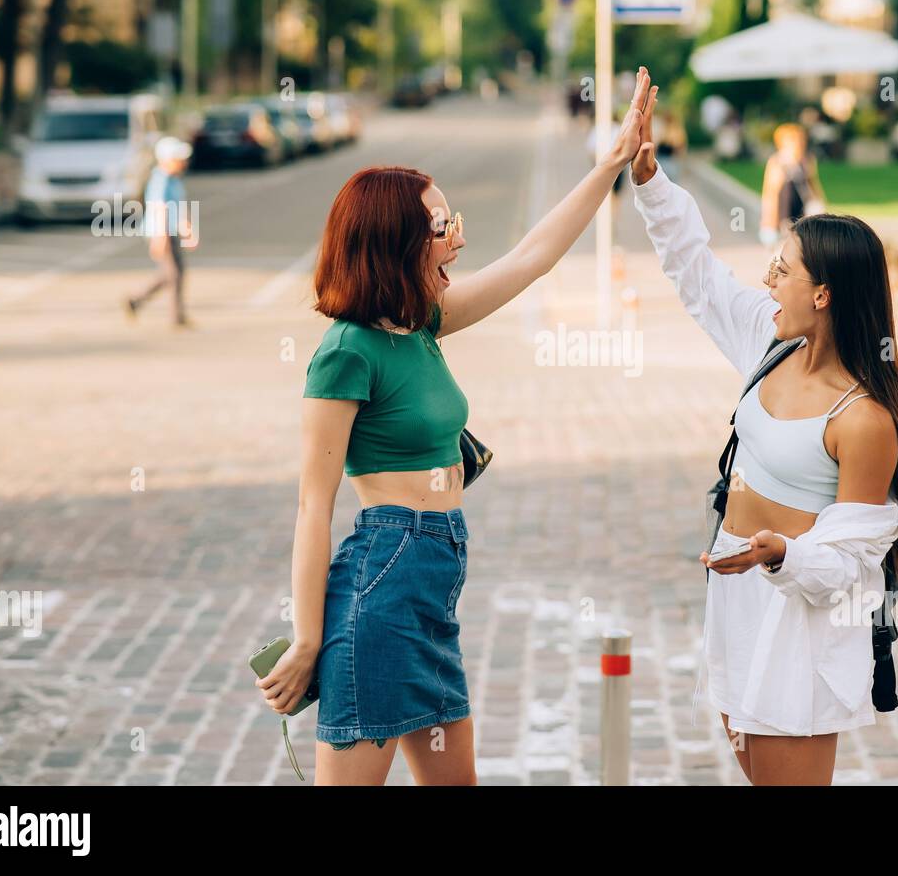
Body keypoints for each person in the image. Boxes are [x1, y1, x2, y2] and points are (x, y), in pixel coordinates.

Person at [254, 68, 653, 786]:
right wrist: (310, 636)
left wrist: (609, 163)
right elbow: (314, 504)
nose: (458, 239)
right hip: (378, 594)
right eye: (443, 227)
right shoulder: (345, 352)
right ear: (395, 240)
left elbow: (532, 258)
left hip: (430, 591)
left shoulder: (420, 323)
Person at [629, 79, 898, 786]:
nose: (766, 277)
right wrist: (650, 182)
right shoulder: (773, 344)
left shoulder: (863, 419)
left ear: (822, 295)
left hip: (798, 618)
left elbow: (851, 566)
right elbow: (698, 277)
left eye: (783, 270)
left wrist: (780, 553)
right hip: (737, 592)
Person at [126, 136, 195, 328]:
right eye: (179, 158)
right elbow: (159, 209)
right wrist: (160, 238)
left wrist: (187, 230)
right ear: (166, 159)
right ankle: (176, 317)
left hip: (170, 231)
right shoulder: (160, 180)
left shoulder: (174, 180)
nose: (183, 161)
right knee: (173, 274)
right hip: (161, 231)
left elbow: (179, 207)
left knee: (172, 273)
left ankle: (136, 301)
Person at [759, 122, 827, 247]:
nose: (799, 144)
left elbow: (813, 184)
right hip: (784, 212)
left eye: (801, 140)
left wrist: (820, 204)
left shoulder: (806, 160)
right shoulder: (777, 162)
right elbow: (771, 193)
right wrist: (769, 219)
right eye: (794, 141)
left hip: (803, 210)